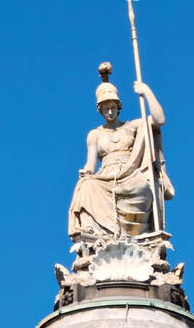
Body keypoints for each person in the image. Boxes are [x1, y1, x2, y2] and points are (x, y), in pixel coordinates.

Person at [68, 63, 173, 239]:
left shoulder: (132, 127)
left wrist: (146, 91)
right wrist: (86, 172)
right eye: (105, 108)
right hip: (106, 176)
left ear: (119, 107)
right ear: (100, 110)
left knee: (142, 184)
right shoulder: (94, 134)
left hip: (130, 173)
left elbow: (159, 119)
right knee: (86, 186)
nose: (109, 111)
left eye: (112, 107)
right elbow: (90, 163)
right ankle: (93, 233)